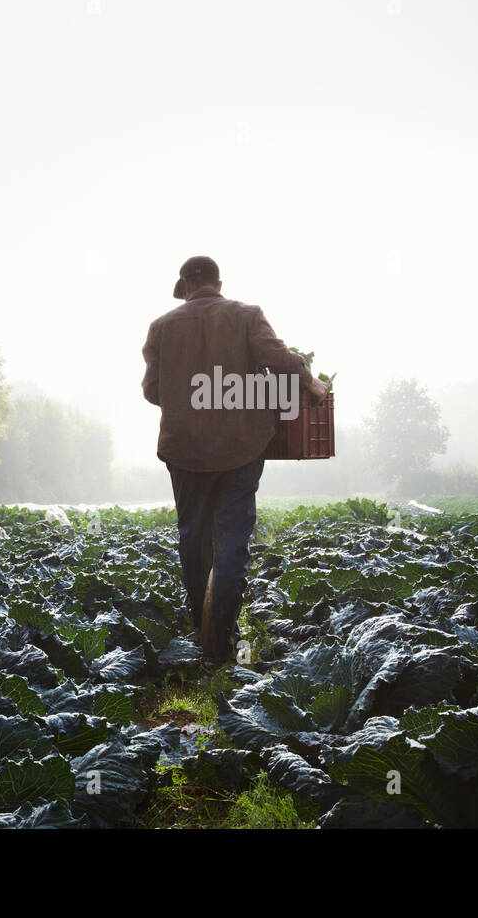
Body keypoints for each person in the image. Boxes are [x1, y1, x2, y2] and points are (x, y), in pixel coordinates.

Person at [141, 255, 327, 664]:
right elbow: (278, 360)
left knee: (193, 537)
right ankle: (221, 639)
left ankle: (200, 627)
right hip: (240, 449)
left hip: (184, 450)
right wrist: (312, 382)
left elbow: (153, 391)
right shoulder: (247, 316)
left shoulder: (161, 327)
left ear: (186, 287)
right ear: (218, 284)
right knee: (232, 543)